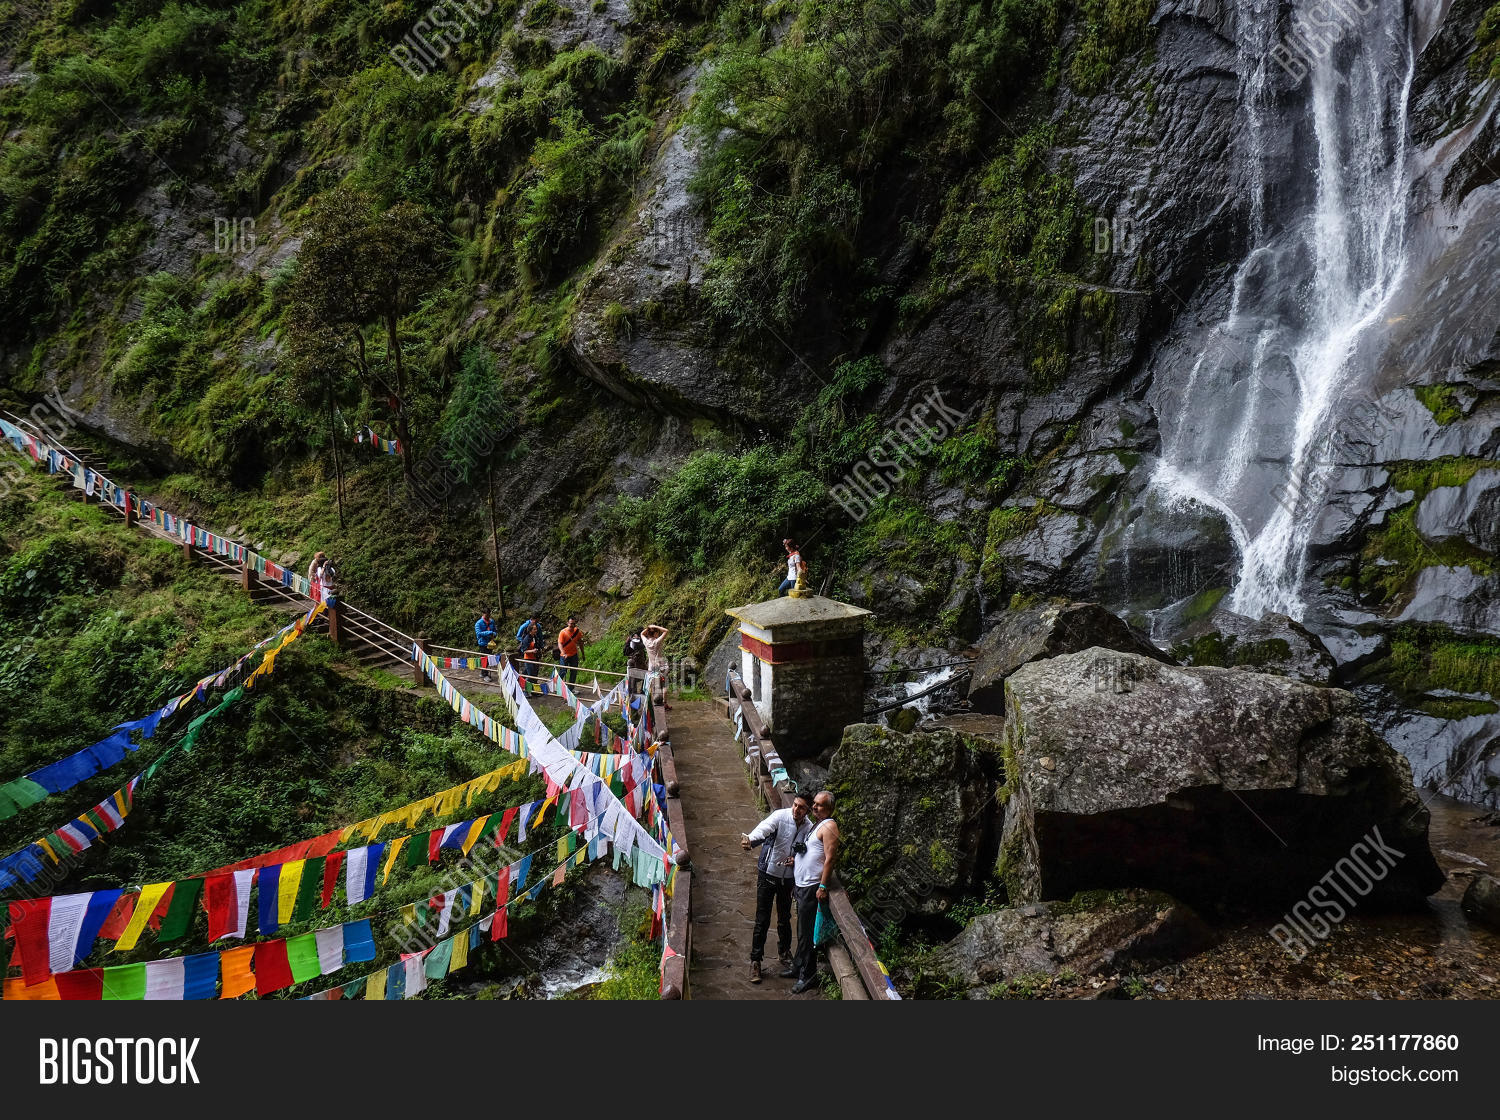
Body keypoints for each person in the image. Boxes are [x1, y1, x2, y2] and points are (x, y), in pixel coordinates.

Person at [740, 792, 811, 983]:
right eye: (795, 805)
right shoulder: (781, 816)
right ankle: (755, 962)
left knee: (784, 917)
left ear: (807, 810)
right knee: (762, 919)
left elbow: (807, 850)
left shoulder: (808, 828)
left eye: (801, 807)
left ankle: (784, 952)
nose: (796, 809)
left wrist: (795, 859)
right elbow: (764, 829)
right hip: (768, 874)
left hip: (787, 879)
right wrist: (750, 838)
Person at [790, 789, 839, 994]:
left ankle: (808, 975)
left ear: (829, 808)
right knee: (802, 930)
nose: (814, 807)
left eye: (819, 805)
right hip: (802, 883)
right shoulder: (818, 824)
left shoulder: (830, 826)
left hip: (812, 887)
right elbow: (813, 851)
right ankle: (798, 966)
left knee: (807, 932)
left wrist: (823, 886)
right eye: (815, 804)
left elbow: (830, 858)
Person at [640, 623, 670, 709]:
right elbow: (666, 631)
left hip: (652, 668)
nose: (658, 634)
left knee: (654, 685)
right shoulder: (657, 641)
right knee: (664, 685)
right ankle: (664, 704)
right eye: (657, 632)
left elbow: (642, 633)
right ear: (655, 633)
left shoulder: (646, 642)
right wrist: (655, 626)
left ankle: (655, 702)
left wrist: (649, 627)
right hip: (661, 667)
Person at [557, 616, 584, 685]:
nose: (572, 625)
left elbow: (580, 642)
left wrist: (583, 653)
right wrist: (563, 652)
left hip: (574, 655)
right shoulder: (563, 632)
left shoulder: (577, 631)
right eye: (571, 623)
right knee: (563, 671)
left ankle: (571, 688)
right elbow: (560, 643)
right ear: (567, 623)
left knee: (574, 672)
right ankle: (557, 685)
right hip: (564, 655)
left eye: (574, 624)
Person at [475, 609, 497, 683]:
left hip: (490, 643)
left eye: (489, 615)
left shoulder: (492, 622)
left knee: (489, 658)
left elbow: (495, 630)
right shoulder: (478, 623)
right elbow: (479, 633)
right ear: (483, 614)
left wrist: (494, 634)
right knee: (485, 659)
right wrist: (489, 632)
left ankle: (483, 672)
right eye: (486, 615)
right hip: (483, 643)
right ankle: (485, 674)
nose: (488, 616)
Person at [623, 628, 647, 697]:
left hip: (641, 665)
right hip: (634, 666)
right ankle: (633, 695)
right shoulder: (631, 641)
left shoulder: (642, 641)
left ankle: (643, 692)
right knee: (632, 686)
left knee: (645, 679)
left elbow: (641, 647)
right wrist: (628, 641)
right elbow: (626, 652)